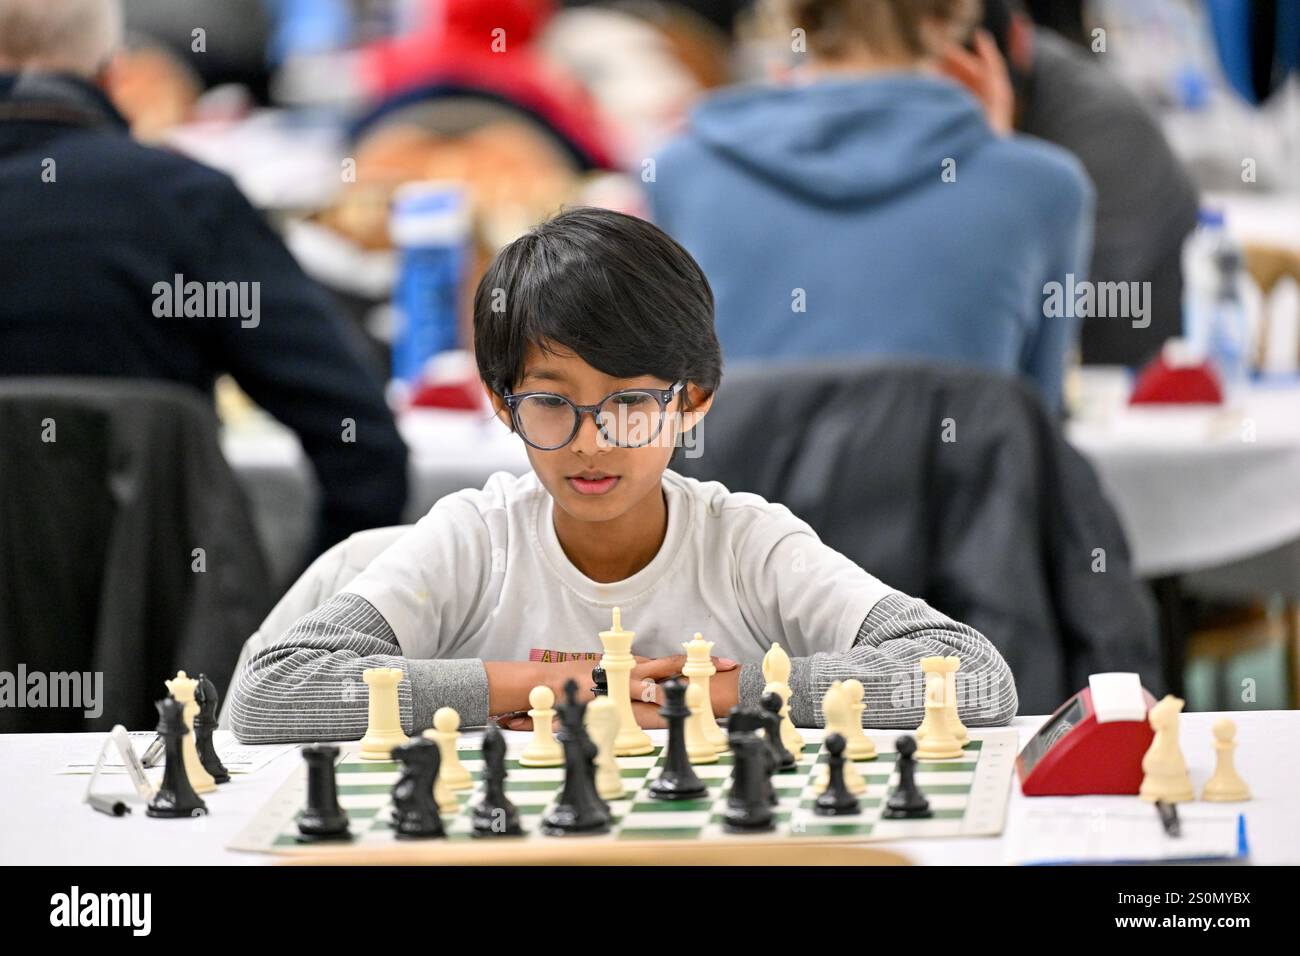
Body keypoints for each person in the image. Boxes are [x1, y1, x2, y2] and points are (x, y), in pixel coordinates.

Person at [228, 207, 1018, 742]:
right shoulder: (475, 541)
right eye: (550, 402)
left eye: (631, 403)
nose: (591, 442)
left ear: (693, 401)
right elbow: (271, 692)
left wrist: (732, 694)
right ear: (504, 408)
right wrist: (546, 686)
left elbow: (976, 680)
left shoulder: (746, 545)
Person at [0, 0, 408, 558]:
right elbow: (364, 445)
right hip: (164, 626)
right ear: (113, 71)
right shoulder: (187, 207)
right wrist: (295, 625)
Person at [645, 0, 1094, 412]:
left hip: (746, 499)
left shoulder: (682, 173)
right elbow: (1039, 426)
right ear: (954, 13)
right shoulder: (1045, 190)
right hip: (957, 499)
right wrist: (987, 154)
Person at [974, 0, 1200, 367]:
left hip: (1127, 385)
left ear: (1016, 40)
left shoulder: (1107, 128)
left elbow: (1068, 301)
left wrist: (987, 154)